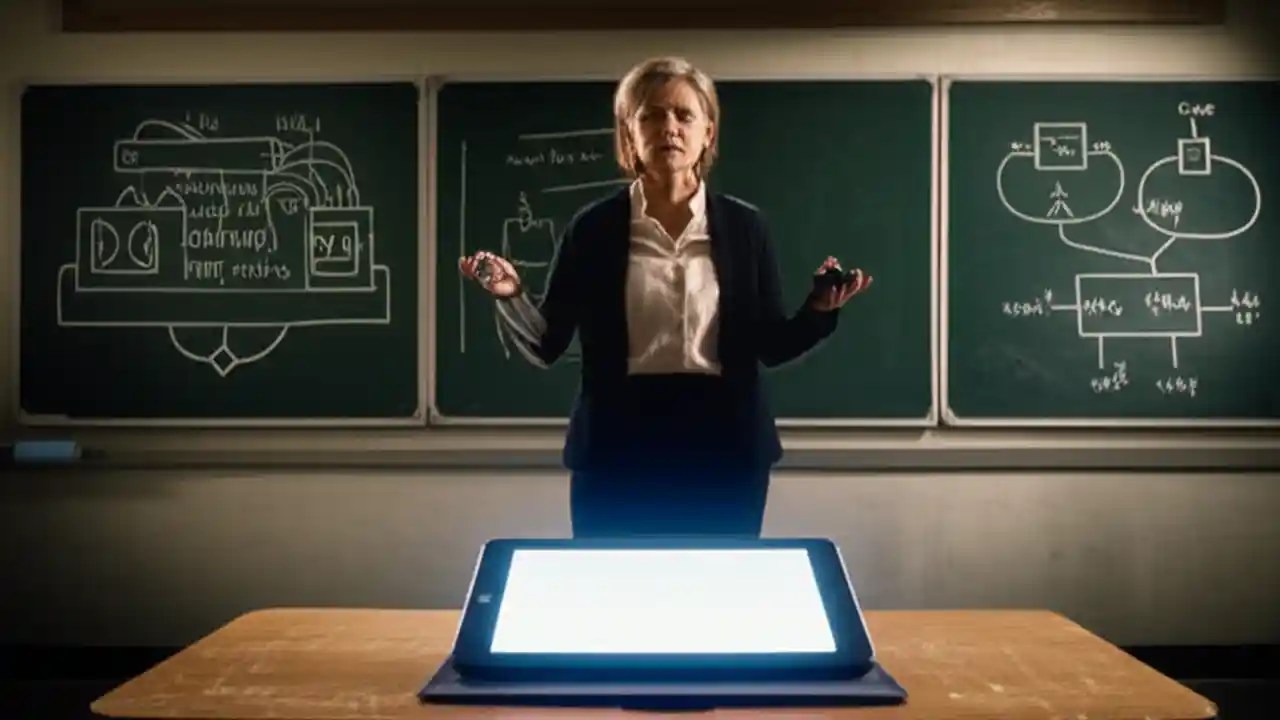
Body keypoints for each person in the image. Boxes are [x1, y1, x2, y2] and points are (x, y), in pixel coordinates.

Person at [459, 56, 871, 538]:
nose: (668, 128)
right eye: (650, 115)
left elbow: (770, 345)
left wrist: (818, 312)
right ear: (629, 134)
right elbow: (547, 343)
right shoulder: (593, 228)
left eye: (683, 115)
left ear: (708, 133)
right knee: (615, 595)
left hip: (725, 443)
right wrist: (511, 295)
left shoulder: (744, 227)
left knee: (718, 595)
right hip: (618, 442)